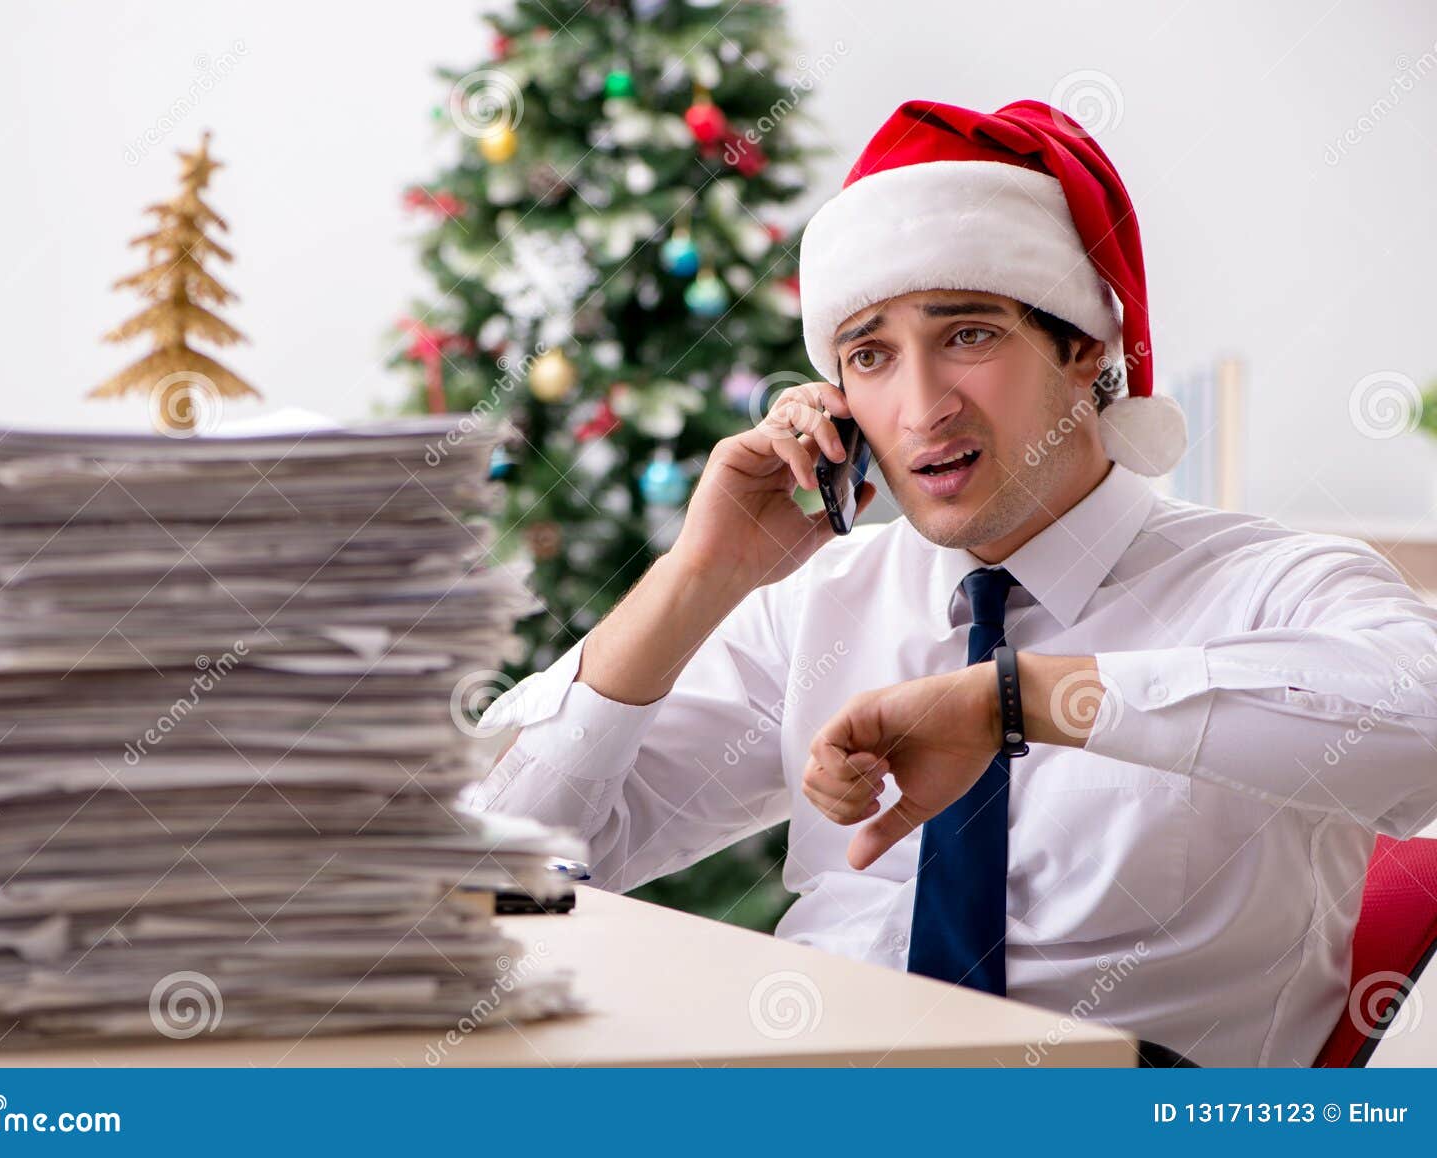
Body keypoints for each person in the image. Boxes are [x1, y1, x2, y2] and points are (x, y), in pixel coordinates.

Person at [468, 98, 1437, 1067]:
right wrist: (698, 578)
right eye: (869, 356)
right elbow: (489, 865)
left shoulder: (1264, 582)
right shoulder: (824, 600)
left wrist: (1017, 701)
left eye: (968, 334)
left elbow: (1420, 720)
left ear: (1083, 348)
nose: (922, 407)